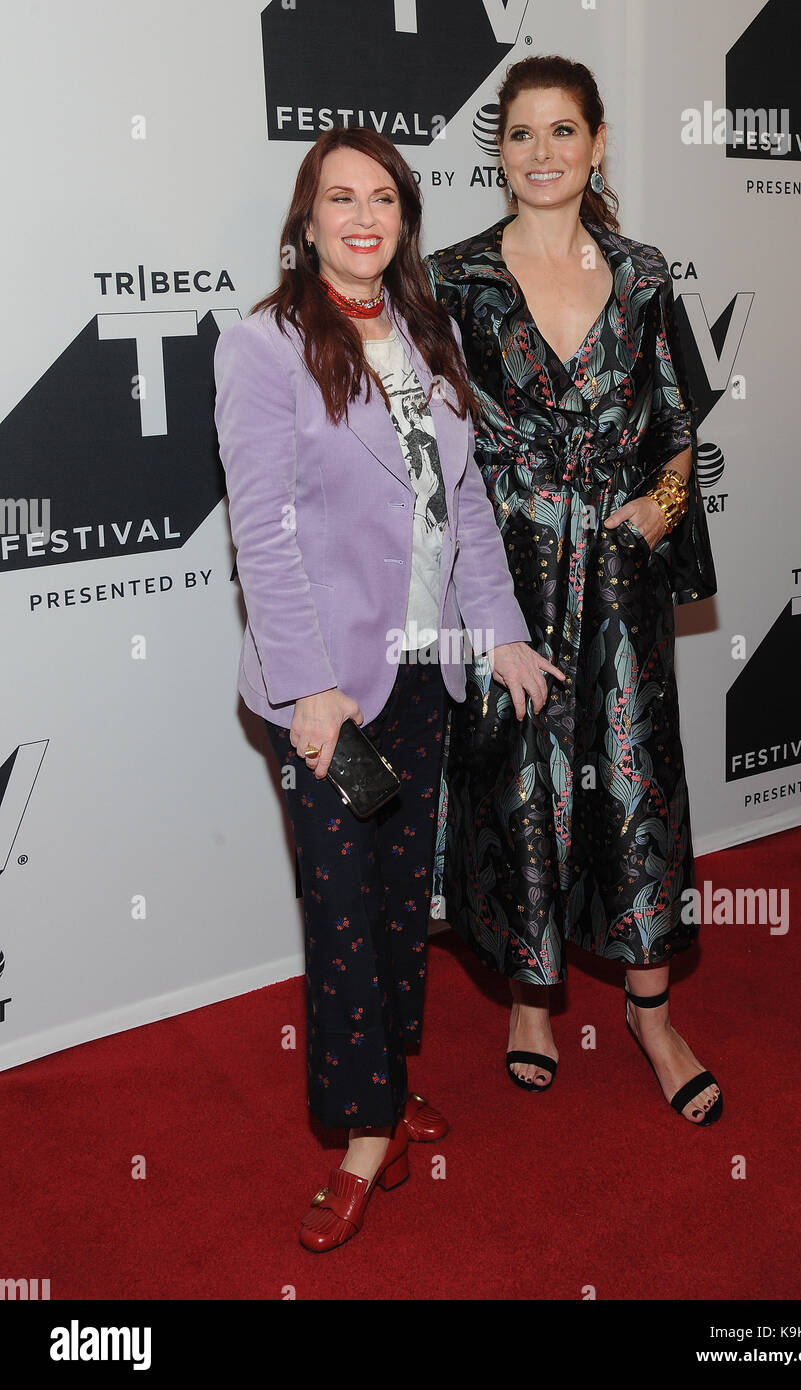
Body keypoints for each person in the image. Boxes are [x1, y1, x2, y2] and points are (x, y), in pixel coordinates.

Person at [214, 126, 561, 1252]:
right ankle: (365, 1131)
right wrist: (311, 689)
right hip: (332, 692)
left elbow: (461, 508)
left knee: (403, 897)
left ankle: (393, 1076)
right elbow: (261, 538)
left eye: (384, 200)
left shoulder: (427, 332)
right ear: (304, 218)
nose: (363, 218)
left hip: (423, 669)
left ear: (403, 221)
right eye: (339, 198)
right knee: (344, 909)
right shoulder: (263, 345)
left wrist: (499, 634)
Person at [424, 56, 722, 1124]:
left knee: (631, 779)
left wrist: (660, 505)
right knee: (519, 782)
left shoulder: (642, 273)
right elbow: (428, 444)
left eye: (562, 131)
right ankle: (528, 1000)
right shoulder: (451, 277)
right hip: (506, 573)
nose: (540, 152)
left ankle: (650, 1012)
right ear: (497, 152)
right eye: (518, 134)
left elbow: (678, 423)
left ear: (597, 144)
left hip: (621, 577)